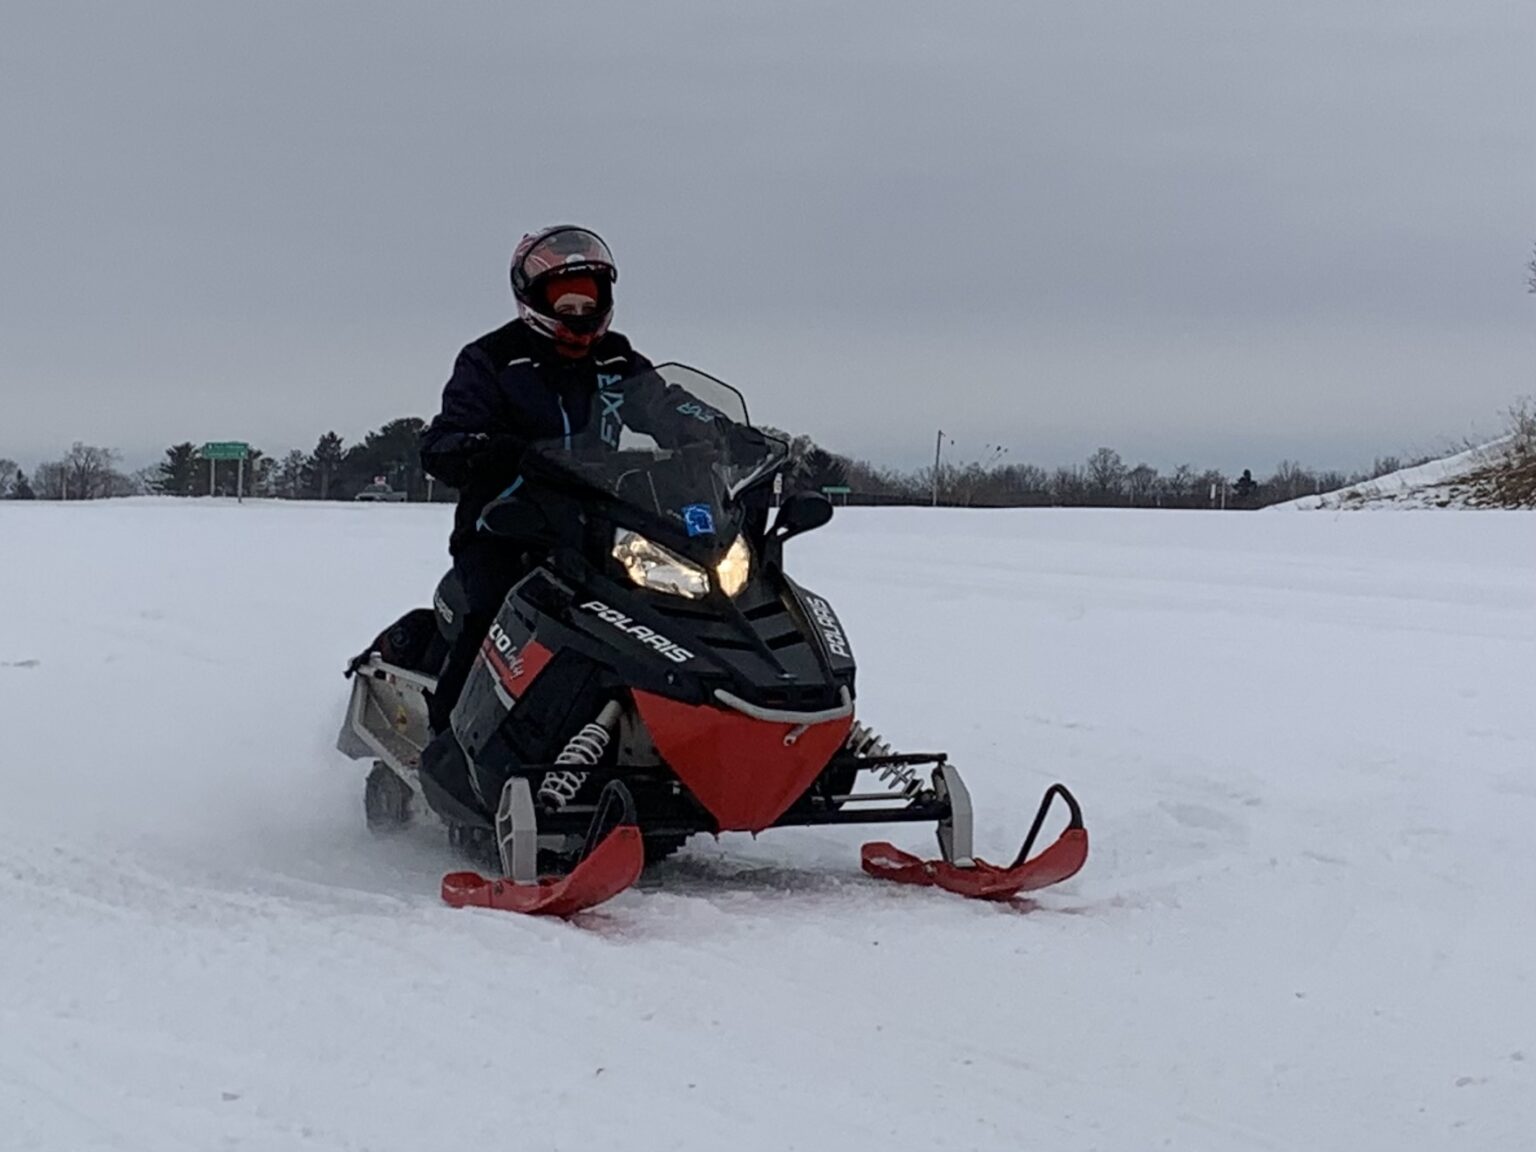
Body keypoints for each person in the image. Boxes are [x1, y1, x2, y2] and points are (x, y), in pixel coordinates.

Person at [419, 225, 767, 735]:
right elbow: (443, 441)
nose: (579, 312)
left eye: (590, 299)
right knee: (492, 610)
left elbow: (663, 402)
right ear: (534, 298)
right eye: (565, 299)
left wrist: (720, 432)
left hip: (601, 522)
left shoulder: (615, 359)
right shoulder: (492, 359)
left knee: (689, 604)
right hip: (508, 527)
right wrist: (493, 452)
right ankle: (445, 742)